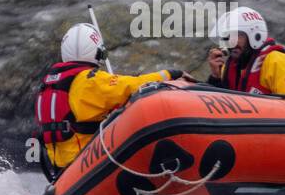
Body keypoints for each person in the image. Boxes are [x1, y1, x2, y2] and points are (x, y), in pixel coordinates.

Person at [35, 22, 184, 180]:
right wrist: (170, 74)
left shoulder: (48, 86)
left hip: (60, 171)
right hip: (84, 167)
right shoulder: (90, 81)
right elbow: (132, 85)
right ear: (97, 52)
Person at [206, 6, 285, 100]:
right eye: (228, 37)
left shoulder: (279, 62)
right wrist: (216, 77)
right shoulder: (229, 67)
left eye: (237, 35)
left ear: (254, 35)